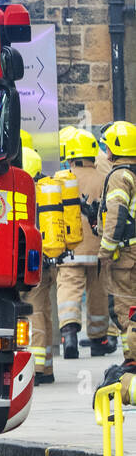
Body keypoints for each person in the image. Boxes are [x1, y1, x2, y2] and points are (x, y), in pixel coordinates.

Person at [56, 127, 116, 358]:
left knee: (69, 288)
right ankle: (98, 338)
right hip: (98, 249)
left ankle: (69, 333)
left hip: (70, 248)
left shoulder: (62, 180)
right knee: (98, 291)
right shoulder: (105, 178)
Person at [97, 122, 136, 386]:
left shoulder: (118, 176)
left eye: (107, 145)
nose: (105, 150)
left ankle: (132, 360)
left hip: (125, 254)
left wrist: (106, 248)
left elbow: (118, 213)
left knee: (125, 308)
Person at [22, 145, 57, 383]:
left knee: (33, 312)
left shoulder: (28, 197)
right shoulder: (46, 193)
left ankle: (37, 367)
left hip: (34, 264)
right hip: (49, 262)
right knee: (44, 311)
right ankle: (47, 367)